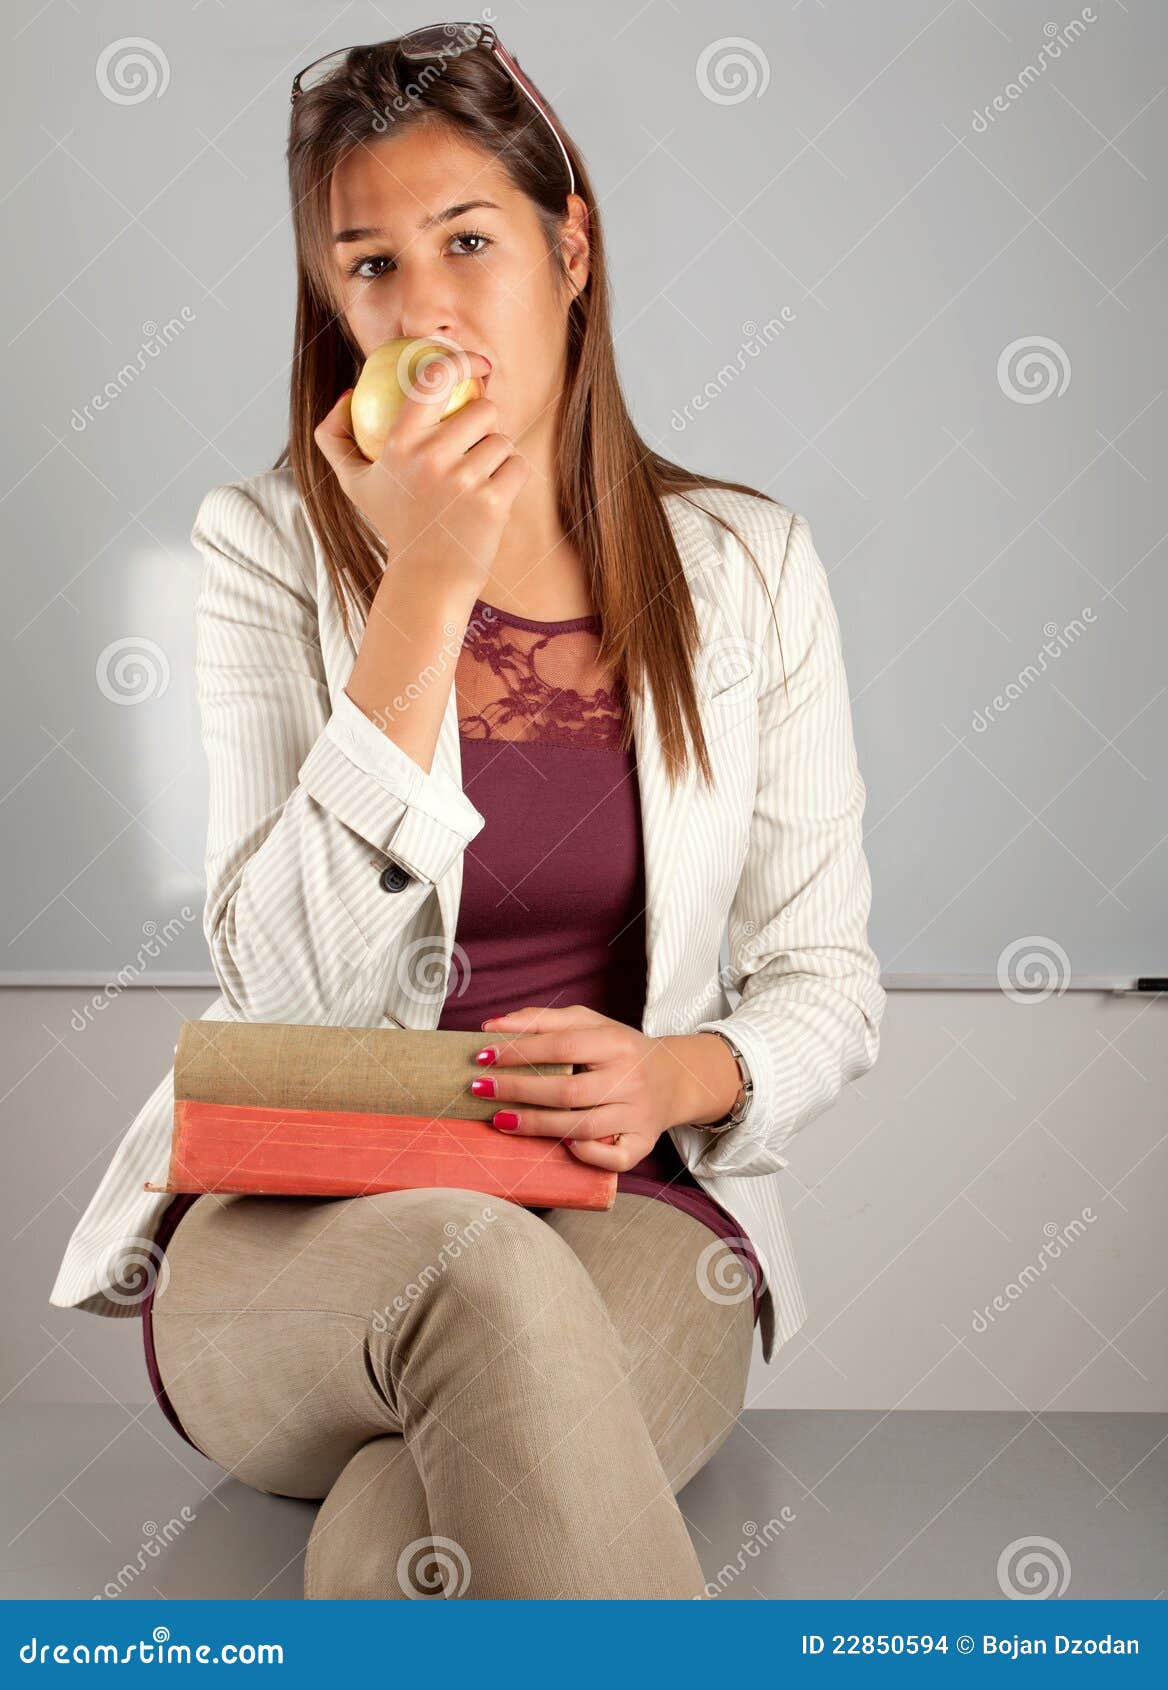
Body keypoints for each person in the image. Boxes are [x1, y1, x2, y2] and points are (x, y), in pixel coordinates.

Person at [49, 25, 885, 1600]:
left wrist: (679, 1073)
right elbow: (284, 986)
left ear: (571, 250)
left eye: (469, 241)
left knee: (404, 1540)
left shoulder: (752, 566)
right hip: (301, 1233)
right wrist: (426, 574)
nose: (422, 304)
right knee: (471, 1262)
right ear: (332, 303)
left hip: (635, 1214)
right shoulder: (257, 549)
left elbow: (825, 983)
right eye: (368, 264)